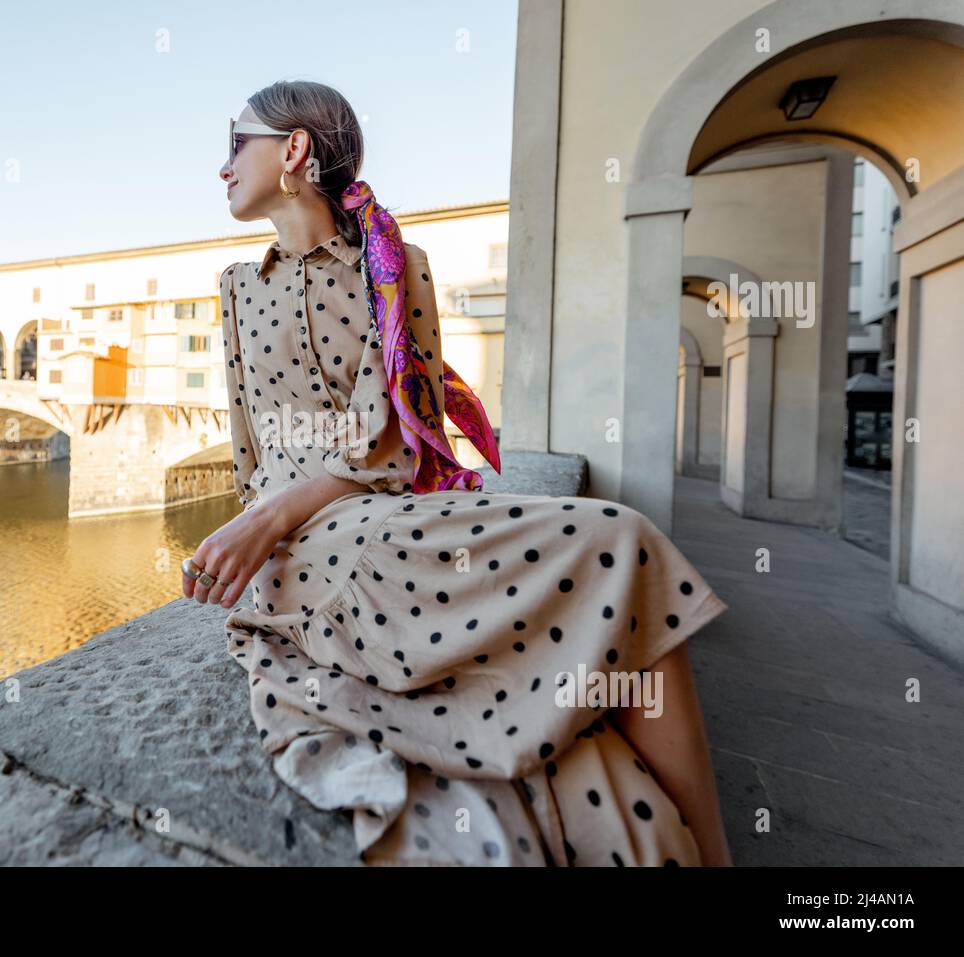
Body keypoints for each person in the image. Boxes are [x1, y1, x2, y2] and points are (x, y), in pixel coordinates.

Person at [184, 79, 732, 867]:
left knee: (626, 544)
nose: (223, 166)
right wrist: (263, 521)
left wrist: (268, 516)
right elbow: (248, 457)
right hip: (297, 560)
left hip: (381, 519)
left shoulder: (394, 265)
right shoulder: (237, 290)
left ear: (293, 149)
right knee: (619, 549)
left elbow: (398, 443)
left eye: (236, 143)